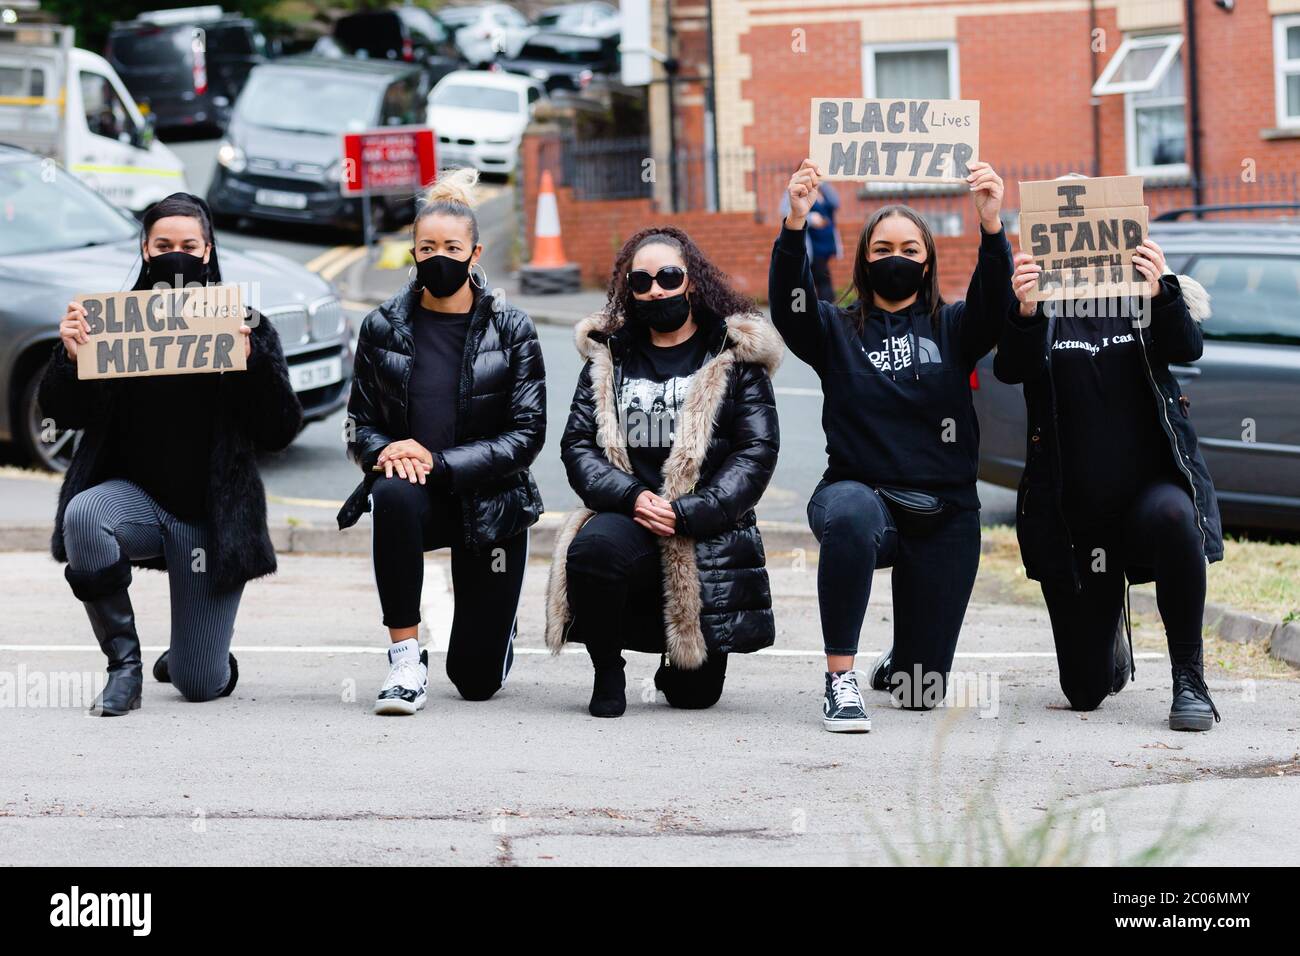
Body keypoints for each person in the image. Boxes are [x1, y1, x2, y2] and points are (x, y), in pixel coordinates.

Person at [770, 158, 1013, 731]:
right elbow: (789, 306)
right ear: (864, 260)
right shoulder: (834, 329)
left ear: (927, 260)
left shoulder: (955, 327)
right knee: (852, 515)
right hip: (860, 495)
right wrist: (795, 224)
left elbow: (995, 304)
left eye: (908, 248)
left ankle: (901, 660)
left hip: (944, 511)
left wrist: (991, 225)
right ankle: (840, 680)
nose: (895, 258)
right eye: (882, 249)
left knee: (920, 690)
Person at [42, 192, 302, 715]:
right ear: (145, 248)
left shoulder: (244, 324)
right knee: (84, 515)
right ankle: (124, 667)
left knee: (198, 683)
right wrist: (68, 358)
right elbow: (61, 416)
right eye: (163, 246)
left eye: (188, 245)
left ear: (207, 251)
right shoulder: (109, 322)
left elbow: (279, 431)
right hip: (136, 504)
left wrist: (252, 365)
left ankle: (194, 655)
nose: (175, 255)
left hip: (210, 522)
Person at [544, 226, 782, 717]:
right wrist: (631, 496)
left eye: (668, 277)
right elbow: (578, 444)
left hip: (704, 525)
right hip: (629, 513)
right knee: (592, 551)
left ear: (691, 281)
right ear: (629, 289)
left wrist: (689, 512)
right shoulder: (610, 355)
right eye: (642, 281)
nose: (656, 289)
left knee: (694, 697)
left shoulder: (732, 354)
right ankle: (608, 670)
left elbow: (755, 452)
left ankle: (675, 660)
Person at [996, 228, 1223, 731]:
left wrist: (1159, 289)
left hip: (1146, 501)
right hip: (1075, 522)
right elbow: (1010, 368)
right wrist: (1025, 310)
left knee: (1176, 515)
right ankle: (1107, 630)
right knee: (1084, 691)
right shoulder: (1044, 301)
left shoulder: (1140, 291)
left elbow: (1189, 347)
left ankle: (1189, 681)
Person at [338, 167, 545, 715]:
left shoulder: (512, 328)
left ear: (475, 254)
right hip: (416, 494)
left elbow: (526, 435)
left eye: (452, 248)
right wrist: (384, 451)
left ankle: (496, 628)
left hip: (491, 501)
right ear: (413, 253)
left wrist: (438, 460)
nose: (439, 258)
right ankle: (405, 661)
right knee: (391, 492)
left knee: (476, 681)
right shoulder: (382, 326)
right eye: (427, 248)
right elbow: (359, 423)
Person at [780, 180, 842, 302]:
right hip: (811, 244)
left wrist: (823, 183)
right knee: (817, 279)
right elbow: (785, 213)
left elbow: (836, 202)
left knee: (821, 277)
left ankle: (824, 306)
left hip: (827, 243)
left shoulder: (824, 189)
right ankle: (822, 306)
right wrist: (810, 218)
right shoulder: (796, 189)